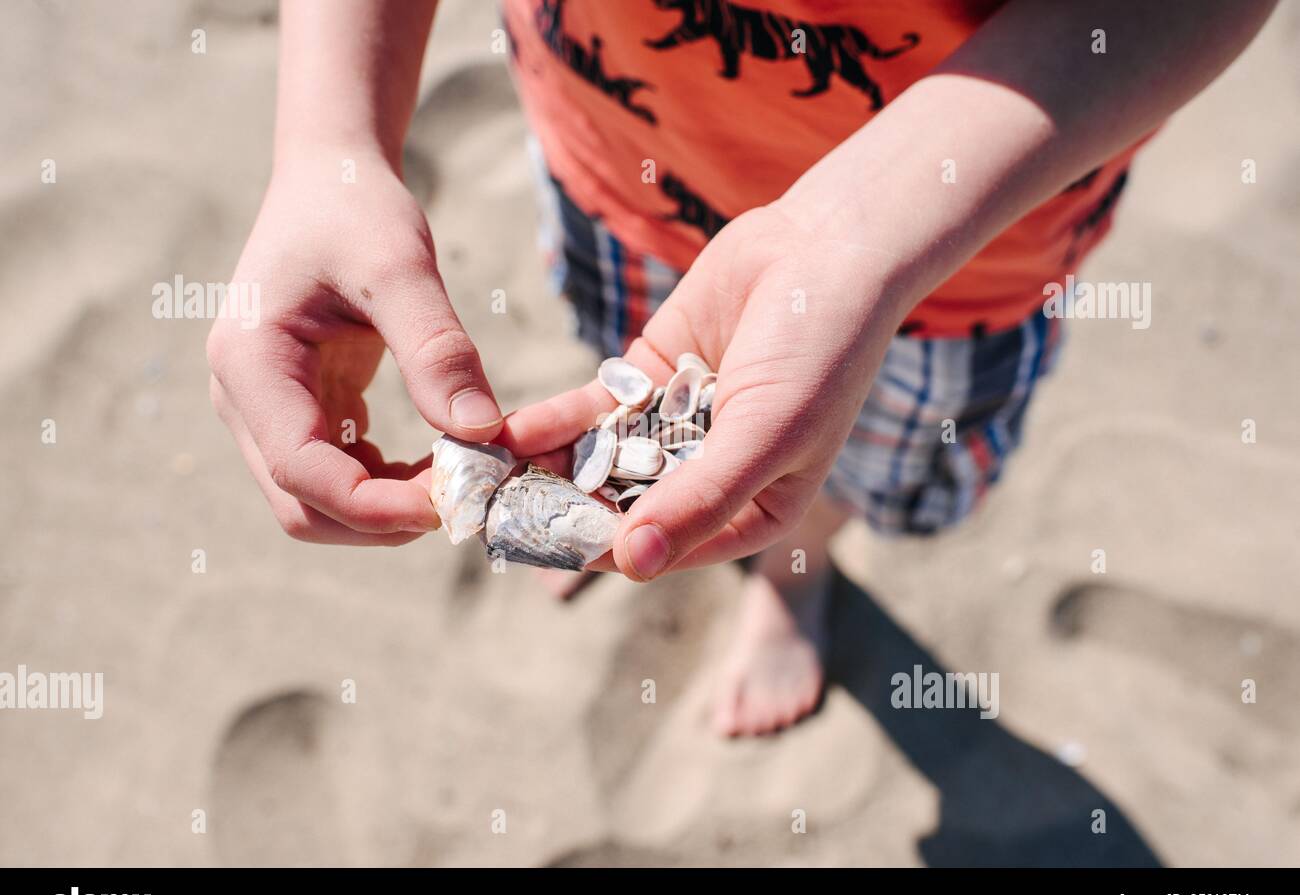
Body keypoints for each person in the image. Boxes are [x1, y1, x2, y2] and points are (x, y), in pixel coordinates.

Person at [206, 0, 1277, 736]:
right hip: (613, 158)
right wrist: (330, 141)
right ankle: (649, 513)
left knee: (827, 460)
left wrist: (857, 234)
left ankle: (791, 570)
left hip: (952, 245)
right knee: (644, 383)